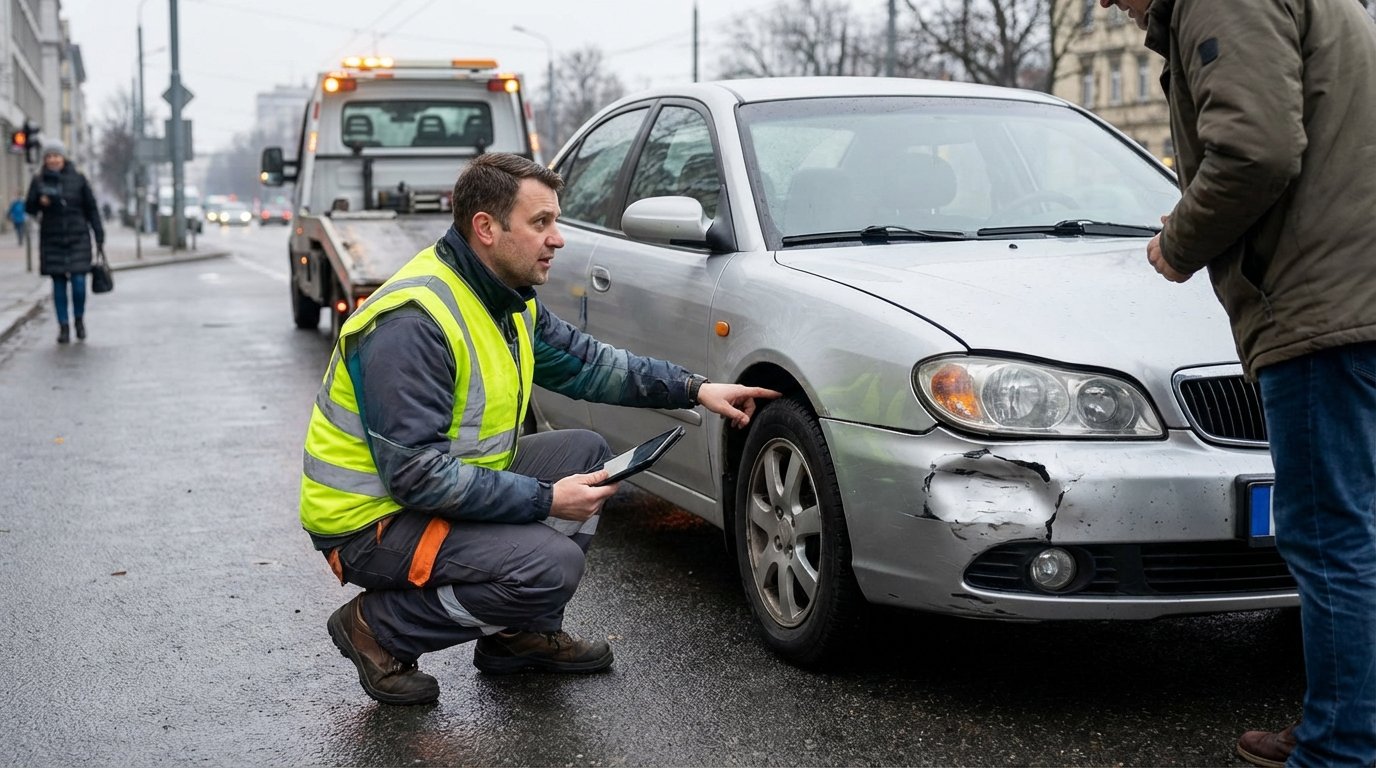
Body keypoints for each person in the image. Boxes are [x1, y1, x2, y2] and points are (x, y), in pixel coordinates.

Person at [300, 152, 779, 705]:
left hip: (432, 491)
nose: (558, 239)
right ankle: (378, 630)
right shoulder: (413, 323)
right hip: (371, 523)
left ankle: (515, 636)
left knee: (587, 453)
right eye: (540, 223)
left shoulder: (505, 299)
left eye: (556, 222)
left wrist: (694, 388)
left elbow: (591, 365)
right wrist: (546, 499)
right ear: (486, 228)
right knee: (550, 566)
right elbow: (416, 476)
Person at [1100, 1, 1376, 766]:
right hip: (1357, 289)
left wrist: (1179, 240)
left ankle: (1342, 748)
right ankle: (1343, 720)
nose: (1103, 5)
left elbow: (1255, 151)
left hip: (1322, 305)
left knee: (1331, 539)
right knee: (1358, 533)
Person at [25, 141, 104, 344]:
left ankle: (79, 319)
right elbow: (29, 208)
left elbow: (92, 208)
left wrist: (99, 234)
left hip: (78, 237)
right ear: (45, 160)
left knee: (79, 283)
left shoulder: (78, 179)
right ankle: (63, 326)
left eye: (56, 156)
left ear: (63, 158)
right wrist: (38, 200)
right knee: (58, 285)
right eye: (49, 156)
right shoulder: (39, 180)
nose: (53, 159)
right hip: (52, 239)